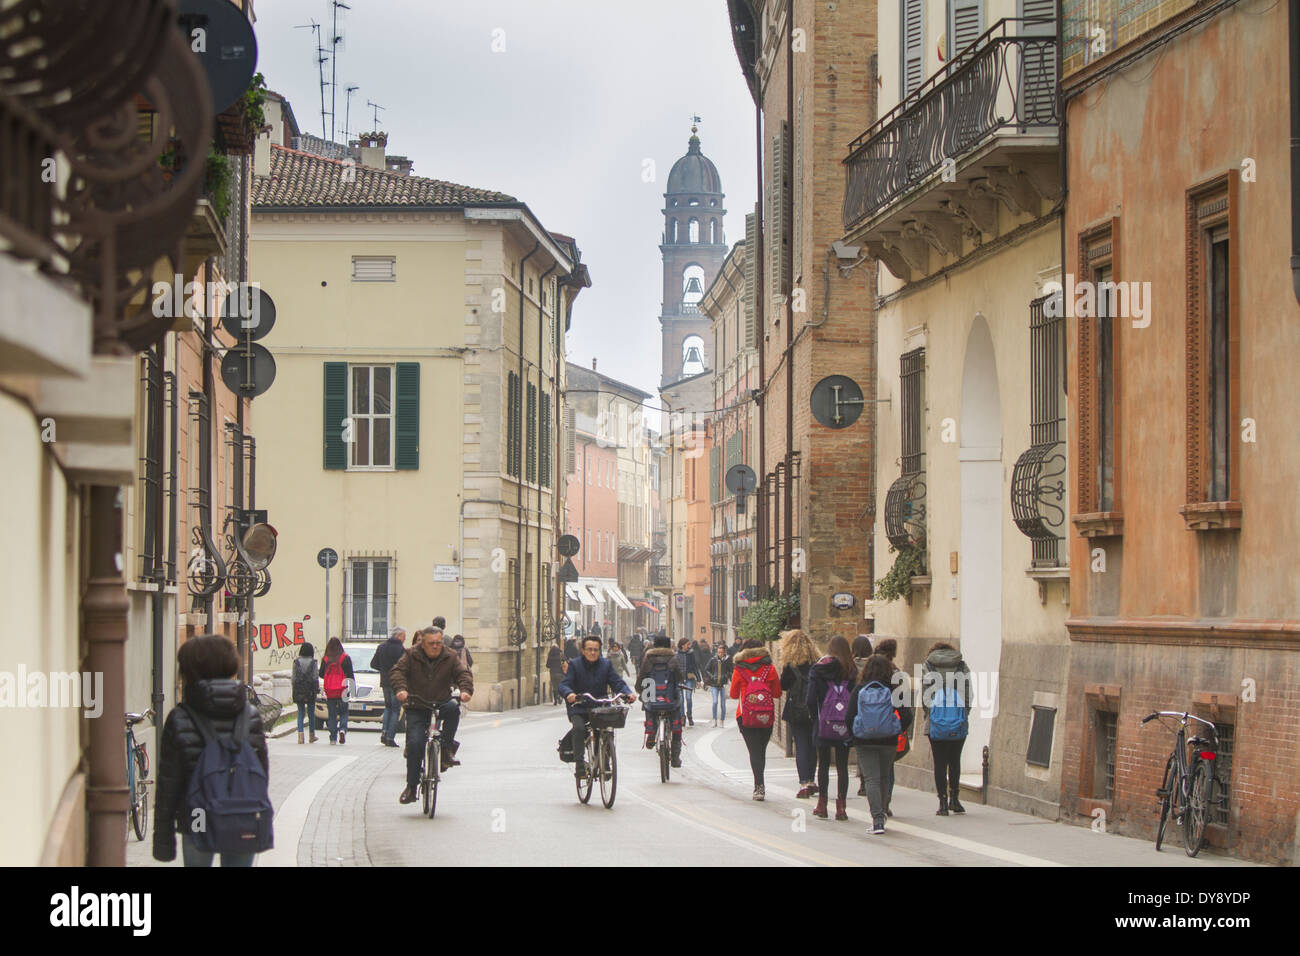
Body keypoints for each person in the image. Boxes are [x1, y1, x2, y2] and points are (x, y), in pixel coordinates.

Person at [153, 634, 269, 866]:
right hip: (243, 815)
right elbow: (261, 774)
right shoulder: (251, 716)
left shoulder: (179, 718)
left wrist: (163, 840)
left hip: (197, 818)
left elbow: (169, 785)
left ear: (189, 672)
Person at [392, 626, 474, 804]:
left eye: (438, 643)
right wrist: (401, 689)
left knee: (453, 709)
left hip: (441, 700)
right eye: (431, 644)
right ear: (423, 643)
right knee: (415, 744)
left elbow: (463, 673)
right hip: (417, 703)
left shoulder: (450, 656)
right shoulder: (411, 654)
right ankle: (412, 787)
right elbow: (398, 672)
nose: (436, 647)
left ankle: (446, 749)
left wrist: (465, 690)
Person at [850, 654, 914, 834]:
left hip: (864, 740)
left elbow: (849, 716)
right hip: (888, 741)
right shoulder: (893, 688)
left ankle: (877, 820)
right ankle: (884, 811)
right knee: (884, 777)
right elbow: (907, 715)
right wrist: (897, 729)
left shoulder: (860, 689)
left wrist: (855, 734)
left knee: (871, 779)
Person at [559, 635, 635, 777]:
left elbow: (616, 682)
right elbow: (565, 684)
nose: (593, 653)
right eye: (589, 649)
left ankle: (605, 760)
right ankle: (580, 764)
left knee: (606, 729)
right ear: (583, 650)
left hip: (600, 706)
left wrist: (627, 693)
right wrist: (569, 694)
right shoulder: (575, 665)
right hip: (579, 706)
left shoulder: (605, 665)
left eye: (596, 650)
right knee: (579, 728)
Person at [808, 635, 858, 821]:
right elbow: (855, 699)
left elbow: (811, 700)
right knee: (842, 766)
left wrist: (816, 718)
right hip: (844, 725)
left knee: (823, 765)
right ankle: (841, 807)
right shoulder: (851, 671)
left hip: (824, 723)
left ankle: (822, 804)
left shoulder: (818, 669)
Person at [729, 638, 782, 800]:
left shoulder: (739, 669)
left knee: (754, 751)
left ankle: (758, 786)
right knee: (761, 750)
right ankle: (760, 784)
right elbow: (777, 693)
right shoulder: (770, 668)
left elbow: (732, 694)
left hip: (745, 715)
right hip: (766, 716)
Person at [922, 641, 971, 816]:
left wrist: (931, 715)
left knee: (940, 762)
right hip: (958, 721)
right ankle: (955, 799)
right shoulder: (961, 666)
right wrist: (963, 715)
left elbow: (925, 696)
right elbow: (968, 693)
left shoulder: (928, 665)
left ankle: (942, 802)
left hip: (935, 723)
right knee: (955, 760)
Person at [778, 629, 817, 798]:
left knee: (800, 745)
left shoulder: (789, 666)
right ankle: (812, 781)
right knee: (812, 745)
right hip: (813, 709)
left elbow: (783, 686)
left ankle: (803, 783)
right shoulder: (816, 663)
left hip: (795, 710)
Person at [638, 635, 684, 766]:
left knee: (649, 706)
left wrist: (640, 691)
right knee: (676, 724)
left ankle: (651, 731)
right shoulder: (673, 658)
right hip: (669, 699)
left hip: (652, 697)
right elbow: (679, 678)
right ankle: (675, 758)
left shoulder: (648, 658)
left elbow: (642, 677)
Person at [875, 638, 904, 814]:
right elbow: (904, 707)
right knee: (888, 768)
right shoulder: (896, 673)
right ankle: (886, 803)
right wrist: (900, 726)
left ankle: (877, 806)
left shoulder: (867, 673)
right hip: (889, 728)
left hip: (867, 730)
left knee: (872, 772)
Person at [369, 627, 407, 748]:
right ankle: (390, 737)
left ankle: (384, 732)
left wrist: (384, 670)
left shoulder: (381, 647)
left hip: (385, 681)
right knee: (396, 710)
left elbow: (373, 664)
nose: (405, 639)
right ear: (399, 636)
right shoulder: (401, 650)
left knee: (388, 707)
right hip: (397, 683)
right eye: (404, 636)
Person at [319, 637, 354, 744]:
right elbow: (350, 675)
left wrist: (330, 678)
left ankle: (333, 738)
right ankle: (342, 729)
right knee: (344, 712)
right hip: (343, 690)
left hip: (330, 691)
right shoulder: (345, 658)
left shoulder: (326, 659)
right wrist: (352, 689)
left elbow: (321, 674)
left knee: (332, 715)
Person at [851, 634, 874, 796]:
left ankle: (863, 782)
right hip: (874, 710)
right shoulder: (874, 665)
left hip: (858, 711)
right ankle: (872, 779)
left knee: (861, 749)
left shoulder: (850, 666)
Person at [291, 642, 319, 744]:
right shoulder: (313, 662)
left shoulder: (296, 662)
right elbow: (315, 677)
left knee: (301, 712)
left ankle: (300, 736)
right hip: (310, 690)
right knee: (311, 713)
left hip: (299, 690)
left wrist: (294, 688)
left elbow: (293, 678)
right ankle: (312, 735)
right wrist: (316, 689)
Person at [704, 641, 733, 726]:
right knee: (715, 702)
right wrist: (712, 676)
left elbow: (731, 670)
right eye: (718, 652)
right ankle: (714, 719)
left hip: (723, 685)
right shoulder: (713, 659)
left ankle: (722, 720)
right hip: (714, 684)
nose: (720, 654)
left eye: (721, 652)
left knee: (723, 704)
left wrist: (726, 675)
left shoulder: (727, 660)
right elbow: (706, 669)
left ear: (724, 652)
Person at [675, 638, 700, 726]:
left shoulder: (691, 654)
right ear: (682, 645)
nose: (689, 646)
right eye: (687, 644)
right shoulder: (676, 655)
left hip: (689, 679)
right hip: (679, 679)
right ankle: (682, 717)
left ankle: (689, 715)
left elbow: (695, 666)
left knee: (688, 698)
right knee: (681, 700)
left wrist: (699, 679)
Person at [547, 639, 565, 705]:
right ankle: (559, 696)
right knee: (560, 685)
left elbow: (547, 665)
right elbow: (564, 662)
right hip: (560, 673)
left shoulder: (550, 655)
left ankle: (555, 701)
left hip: (553, 673)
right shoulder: (561, 654)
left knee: (554, 686)